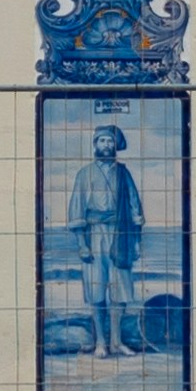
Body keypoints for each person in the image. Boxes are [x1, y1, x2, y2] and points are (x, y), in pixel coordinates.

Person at [63, 121, 149, 354]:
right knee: (96, 289)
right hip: (94, 235)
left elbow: (134, 208)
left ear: (115, 146)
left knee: (120, 288)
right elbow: (77, 209)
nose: (106, 144)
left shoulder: (123, 173)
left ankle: (116, 342)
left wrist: (137, 242)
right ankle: (101, 342)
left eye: (110, 141)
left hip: (121, 235)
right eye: (102, 140)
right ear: (95, 144)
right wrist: (82, 244)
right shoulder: (85, 174)